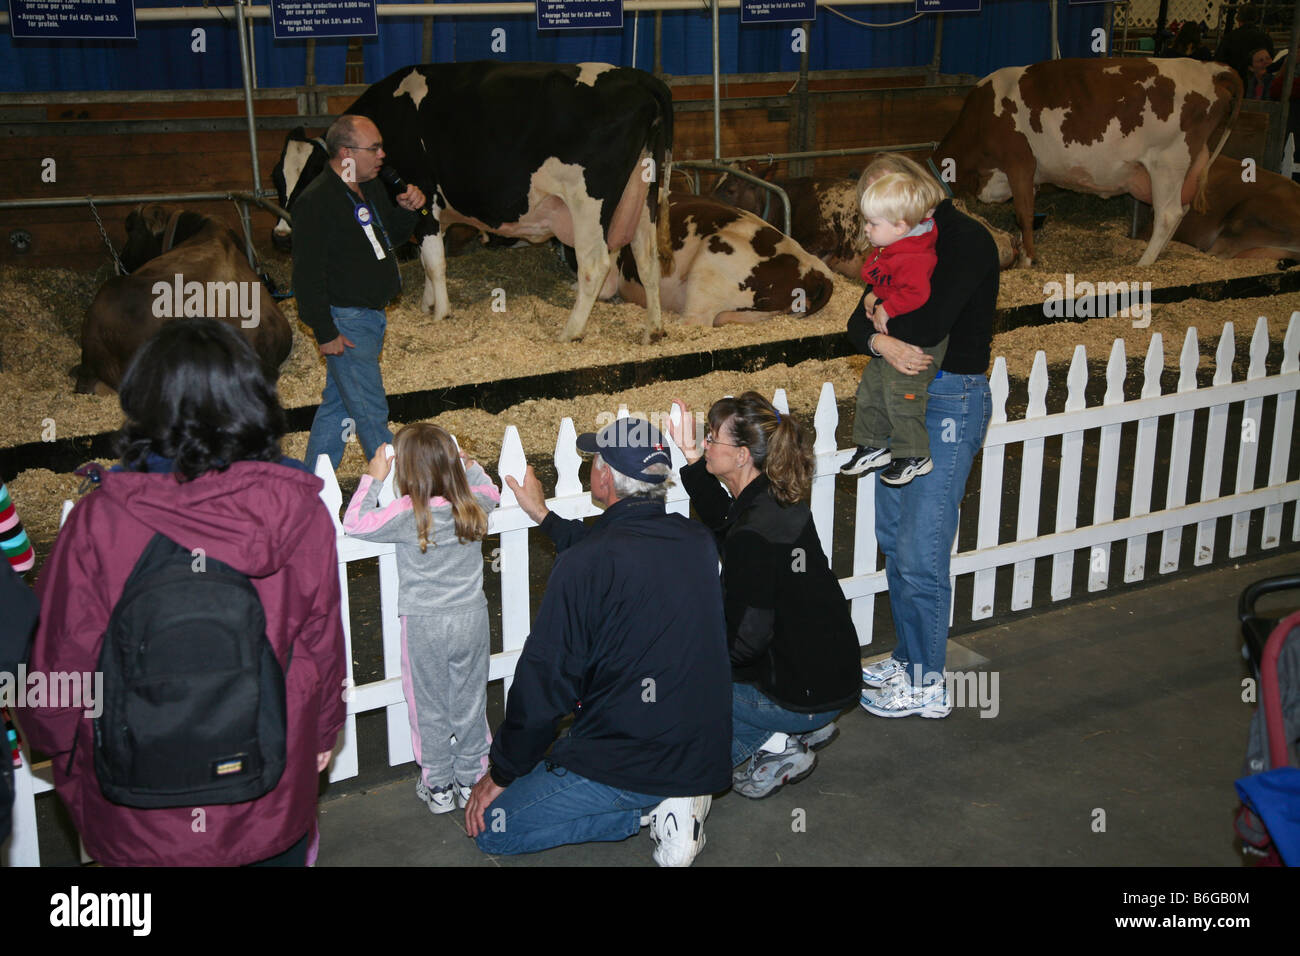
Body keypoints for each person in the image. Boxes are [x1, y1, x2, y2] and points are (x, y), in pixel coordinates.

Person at [19, 318, 347, 866]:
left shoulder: (100, 521)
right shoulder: (296, 511)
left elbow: (61, 658)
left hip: (138, 810)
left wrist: (53, 742)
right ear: (254, 398)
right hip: (265, 788)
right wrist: (322, 732)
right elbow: (321, 645)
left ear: (143, 400)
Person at [464, 418, 731, 866]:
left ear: (604, 477)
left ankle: (643, 812)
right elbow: (615, 549)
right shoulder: (696, 541)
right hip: (702, 748)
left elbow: (546, 682)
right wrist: (544, 516)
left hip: (629, 756)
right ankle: (674, 798)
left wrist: (502, 770)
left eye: (594, 461)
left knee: (496, 830)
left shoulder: (587, 563)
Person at [846, 152, 997, 719]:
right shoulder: (904, 243)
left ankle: (928, 684)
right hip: (903, 393)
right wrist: (879, 336)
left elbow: (932, 325)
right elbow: (854, 324)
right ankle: (909, 657)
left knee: (920, 550)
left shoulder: (966, 241)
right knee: (894, 534)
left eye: (880, 211)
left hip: (950, 394)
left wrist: (878, 319)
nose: (872, 227)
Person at [665, 393, 861, 799]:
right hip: (831, 673)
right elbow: (726, 524)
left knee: (689, 690)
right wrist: (691, 458)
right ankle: (801, 722)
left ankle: (785, 736)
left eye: (711, 439)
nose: (705, 445)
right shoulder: (775, 502)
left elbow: (745, 646)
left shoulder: (754, 533)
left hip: (803, 692)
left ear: (739, 456)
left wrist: (688, 657)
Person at [342, 424, 500, 814]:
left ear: (406, 471)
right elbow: (493, 490)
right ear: (452, 464)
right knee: (470, 700)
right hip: (471, 620)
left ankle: (438, 785)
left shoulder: (405, 512)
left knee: (427, 704)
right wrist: (471, 465)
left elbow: (355, 521)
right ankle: (471, 777)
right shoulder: (474, 503)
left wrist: (373, 477)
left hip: (424, 624)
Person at [295, 114, 426, 472]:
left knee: (338, 408)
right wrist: (324, 330)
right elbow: (306, 276)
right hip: (347, 321)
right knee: (370, 414)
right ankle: (398, 492)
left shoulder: (367, 189)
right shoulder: (317, 201)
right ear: (345, 153)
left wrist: (406, 211)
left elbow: (389, 241)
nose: (382, 154)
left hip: (370, 317)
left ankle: (312, 487)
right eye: (374, 148)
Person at [840, 171, 945, 486]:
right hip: (893, 339)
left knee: (903, 394)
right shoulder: (892, 247)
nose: (867, 230)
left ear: (900, 226)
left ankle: (915, 453)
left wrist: (886, 306)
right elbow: (876, 276)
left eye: (873, 224)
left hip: (915, 345)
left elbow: (917, 293)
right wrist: (874, 293)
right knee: (871, 388)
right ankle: (873, 444)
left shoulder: (914, 255)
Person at [1216, 4, 1274, 83]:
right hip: (1258, 83)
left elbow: (1219, 61)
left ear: (1238, 19)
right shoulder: (1265, 38)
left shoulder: (1230, 38)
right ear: (1256, 18)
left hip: (1234, 82)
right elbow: (1270, 61)